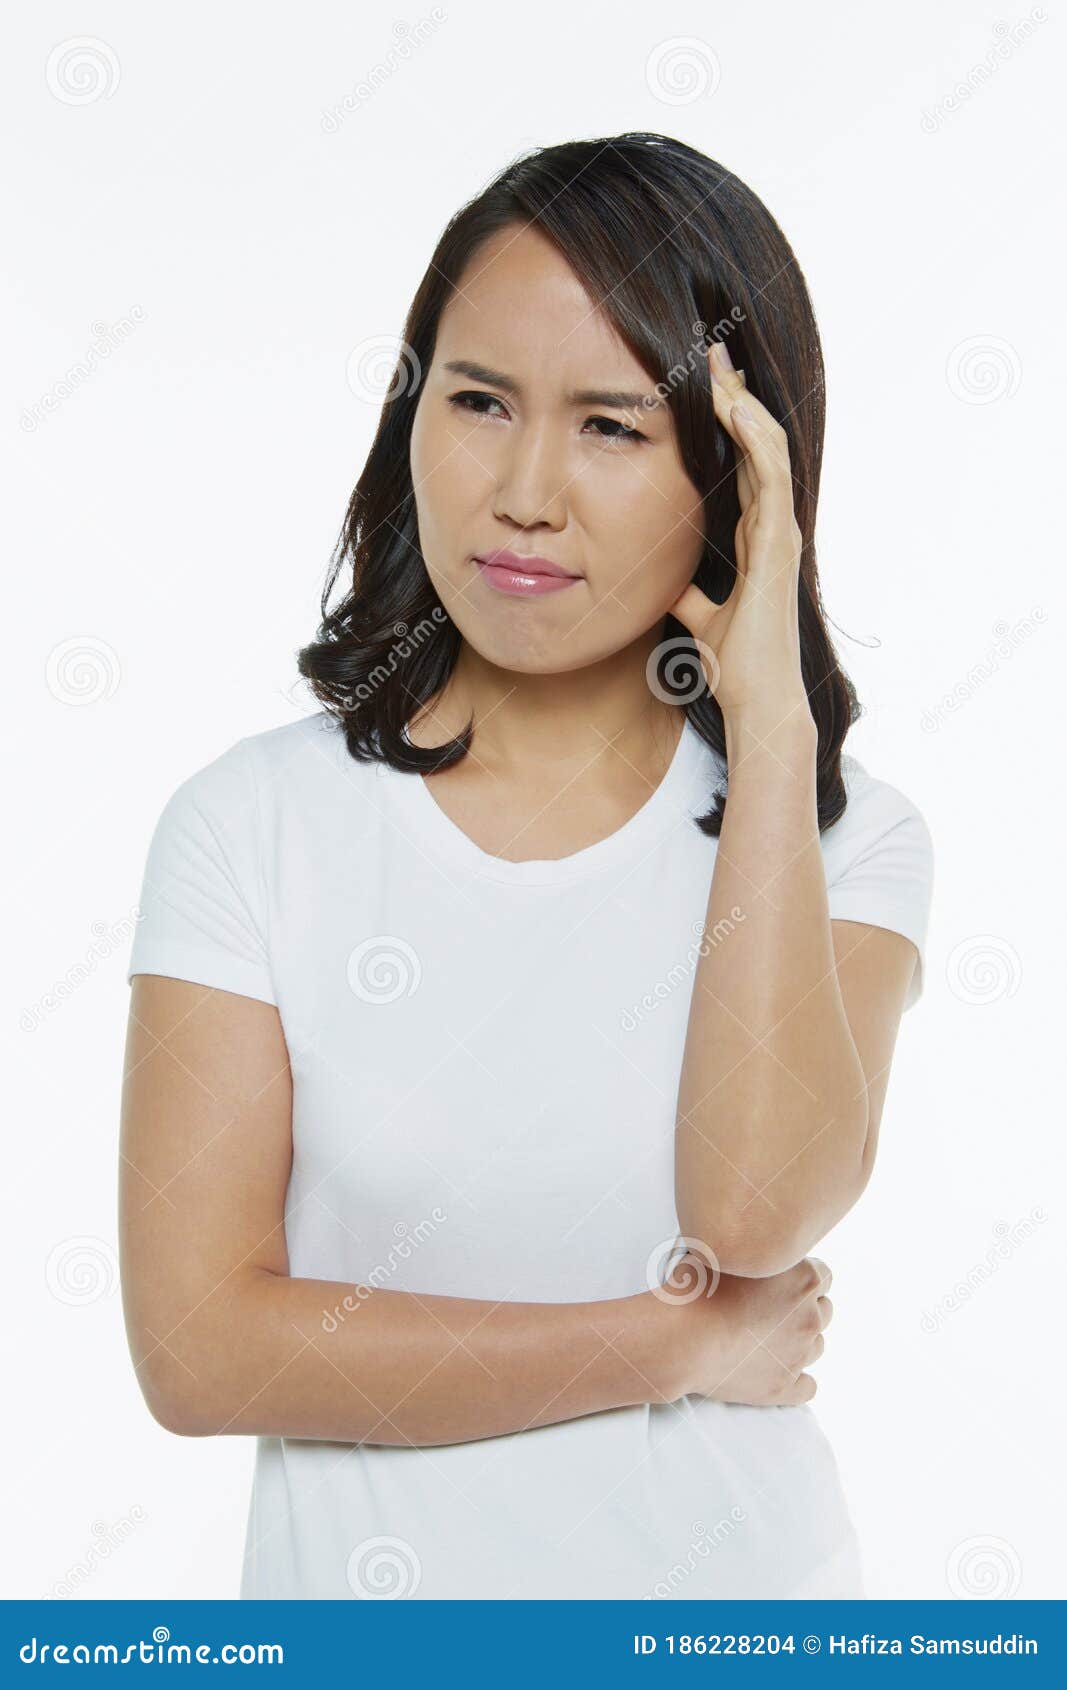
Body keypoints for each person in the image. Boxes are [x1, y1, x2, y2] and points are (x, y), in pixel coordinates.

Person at [120, 132, 934, 1601]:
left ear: (738, 474)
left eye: (614, 427)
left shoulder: (844, 839)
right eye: (480, 401)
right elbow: (198, 1347)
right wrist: (676, 1346)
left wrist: (766, 730)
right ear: (408, 415)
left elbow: (749, 1210)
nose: (525, 491)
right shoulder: (252, 827)